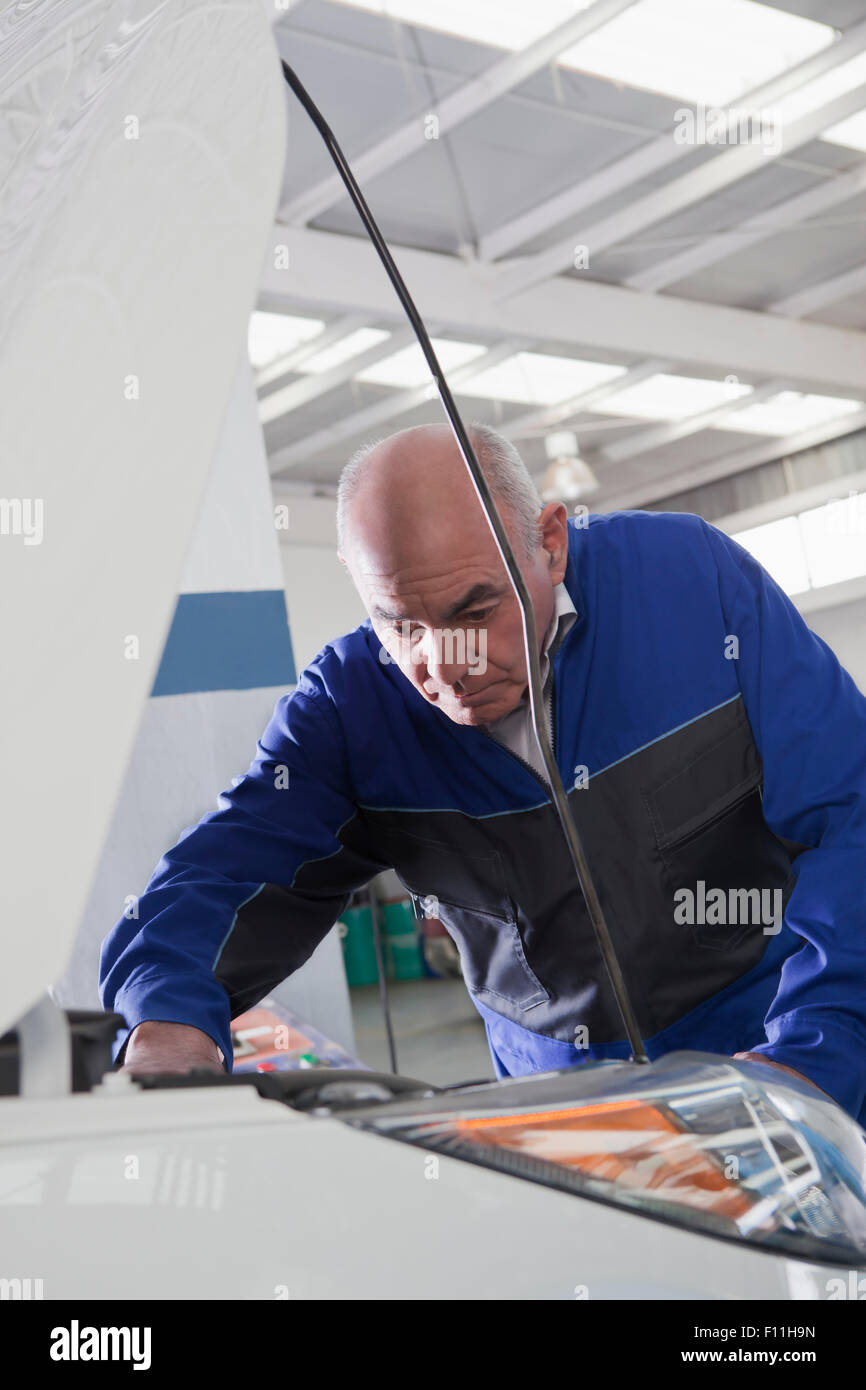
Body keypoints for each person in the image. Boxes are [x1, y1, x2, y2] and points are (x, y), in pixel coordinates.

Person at [100, 423, 866, 1124]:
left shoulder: (693, 586)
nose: (444, 668)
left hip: (778, 1060)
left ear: (551, 542)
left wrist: (817, 1055)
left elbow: (852, 809)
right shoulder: (349, 711)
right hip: (569, 1118)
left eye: (475, 609)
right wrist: (166, 1023)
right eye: (400, 624)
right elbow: (219, 876)